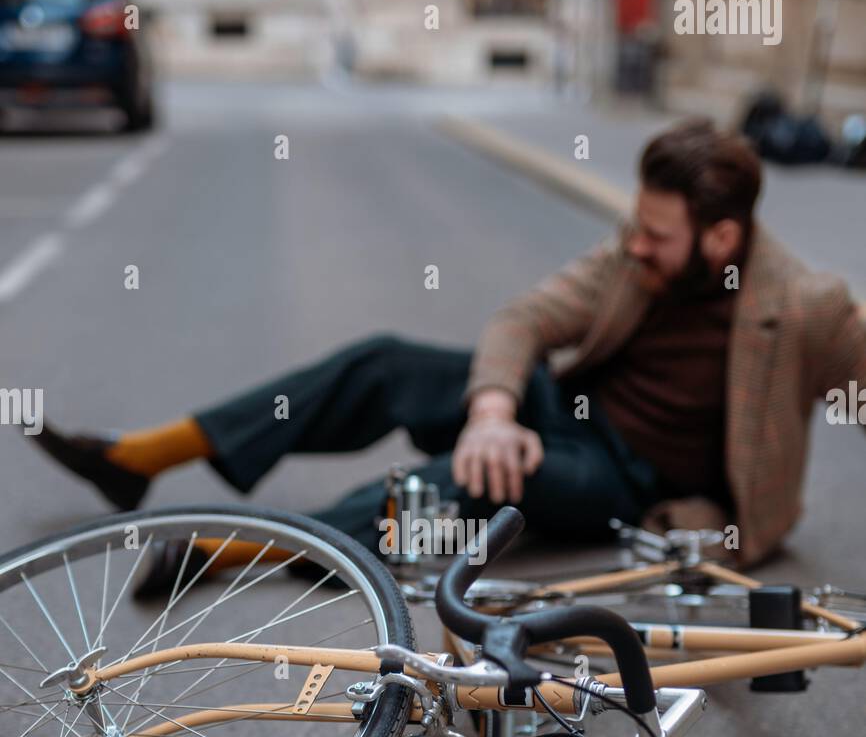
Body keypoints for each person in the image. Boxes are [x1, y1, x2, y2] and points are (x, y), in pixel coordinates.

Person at [30, 118, 866, 594]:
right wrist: (496, 412)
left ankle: (233, 551)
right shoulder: (637, 257)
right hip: (563, 412)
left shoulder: (805, 309)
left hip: (634, 481)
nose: (633, 245)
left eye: (656, 235)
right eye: (635, 226)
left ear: (721, 236)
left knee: (469, 480)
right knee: (391, 362)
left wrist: (493, 443)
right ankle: (142, 457)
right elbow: (524, 320)